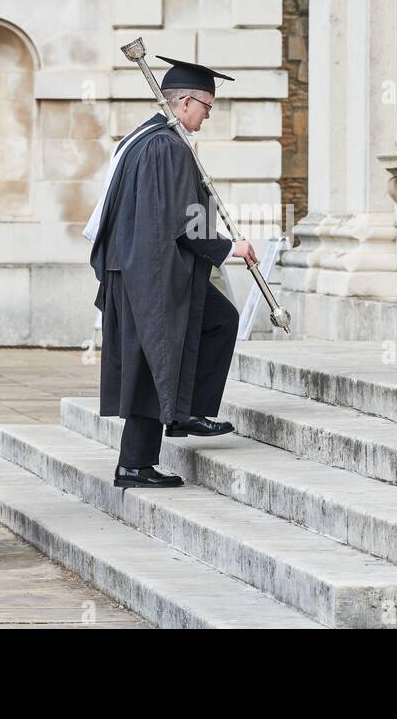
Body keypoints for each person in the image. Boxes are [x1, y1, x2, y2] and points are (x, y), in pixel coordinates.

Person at [84, 56, 257, 488]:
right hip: (154, 275)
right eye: (207, 108)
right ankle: (137, 463)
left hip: (140, 269)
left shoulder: (142, 139)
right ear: (184, 103)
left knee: (214, 322)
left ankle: (185, 414)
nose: (207, 117)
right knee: (153, 359)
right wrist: (229, 247)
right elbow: (187, 220)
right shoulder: (167, 147)